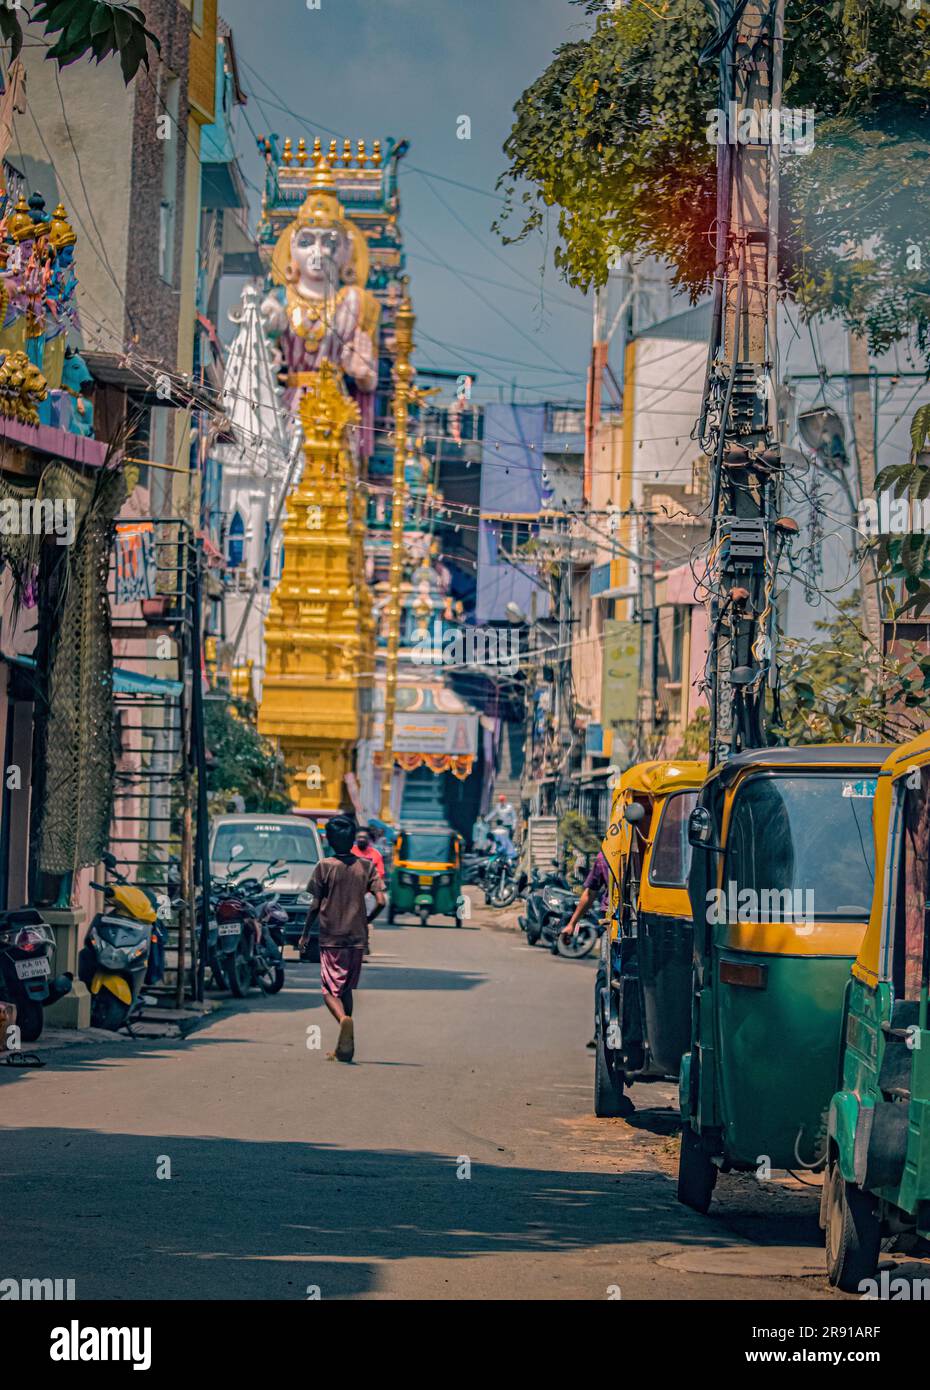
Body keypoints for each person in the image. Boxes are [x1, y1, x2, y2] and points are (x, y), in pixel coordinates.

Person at [299, 815, 384, 1063]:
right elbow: (381, 901)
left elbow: (314, 905)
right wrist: (366, 920)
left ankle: (344, 1021)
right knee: (346, 988)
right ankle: (345, 1046)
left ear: (331, 841)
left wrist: (305, 933)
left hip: (331, 936)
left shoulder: (325, 866)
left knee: (328, 990)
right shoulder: (366, 866)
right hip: (357, 938)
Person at [562, 849, 611, 1050]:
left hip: (617, 923)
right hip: (613, 924)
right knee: (606, 976)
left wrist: (572, 924)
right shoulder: (607, 854)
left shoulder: (609, 851)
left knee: (605, 977)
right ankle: (601, 1028)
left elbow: (590, 892)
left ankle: (601, 1029)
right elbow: (590, 892)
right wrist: (572, 923)